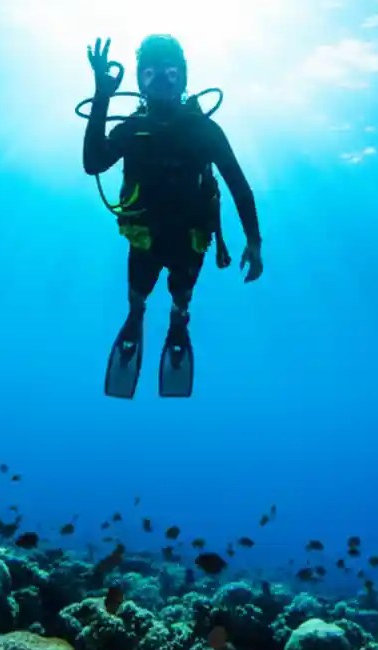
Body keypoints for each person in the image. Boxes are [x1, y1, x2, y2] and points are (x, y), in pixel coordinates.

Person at [83, 34, 263, 398]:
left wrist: (254, 242)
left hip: (189, 239)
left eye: (170, 73)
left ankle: (178, 321)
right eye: (151, 74)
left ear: (183, 78)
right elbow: (93, 163)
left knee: (181, 297)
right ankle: (137, 318)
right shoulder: (132, 129)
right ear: (139, 81)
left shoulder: (204, 130)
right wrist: (102, 95)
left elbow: (239, 187)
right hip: (146, 237)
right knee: (138, 295)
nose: (163, 83)